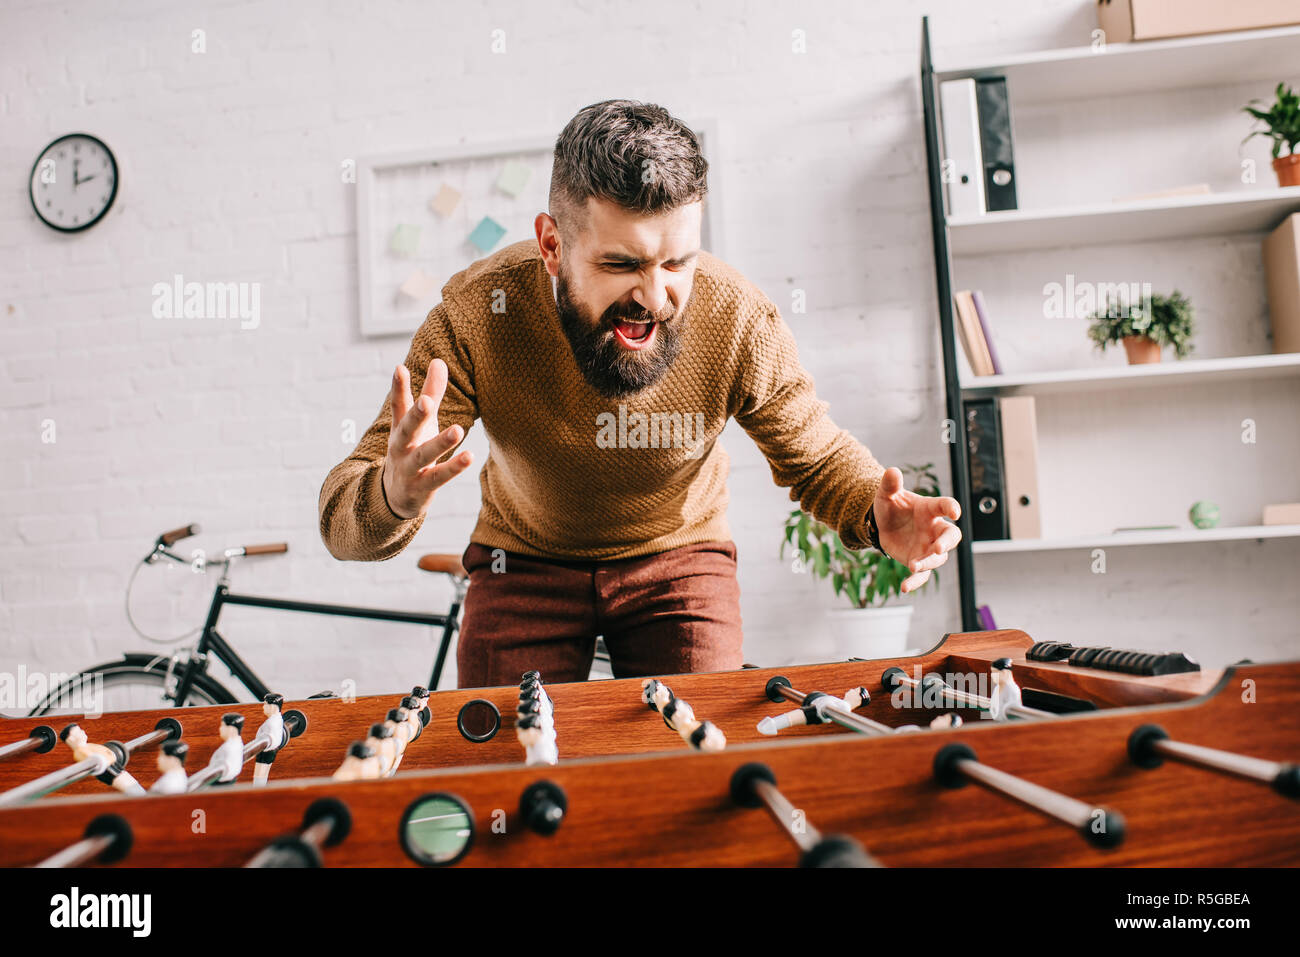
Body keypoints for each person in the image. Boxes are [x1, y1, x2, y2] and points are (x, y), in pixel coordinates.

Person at [320, 99, 962, 688]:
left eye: (677, 263)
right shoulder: (477, 313)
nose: (655, 300)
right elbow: (345, 524)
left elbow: (816, 455)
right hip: (522, 566)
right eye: (622, 264)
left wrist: (879, 517)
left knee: (692, 760)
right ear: (551, 245)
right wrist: (392, 496)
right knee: (502, 779)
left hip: (679, 562)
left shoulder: (736, 316)